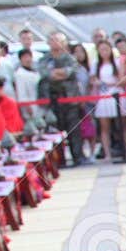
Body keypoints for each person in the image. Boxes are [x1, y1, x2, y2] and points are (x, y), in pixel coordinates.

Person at [40, 32, 86, 165]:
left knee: (74, 130)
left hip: (70, 98)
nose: (57, 43)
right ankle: (59, 160)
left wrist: (59, 73)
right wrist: (59, 73)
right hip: (51, 99)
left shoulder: (70, 58)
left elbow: (72, 71)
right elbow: (45, 73)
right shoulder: (45, 59)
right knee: (54, 130)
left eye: (60, 41)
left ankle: (78, 157)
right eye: (54, 40)